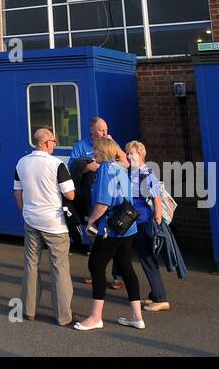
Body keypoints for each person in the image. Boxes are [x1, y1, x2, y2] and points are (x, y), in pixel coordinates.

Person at [77, 135, 145, 332]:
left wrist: (91, 220)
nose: (93, 153)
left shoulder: (106, 169)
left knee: (96, 265)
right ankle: (136, 316)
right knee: (126, 268)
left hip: (111, 228)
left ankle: (96, 317)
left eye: (96, 150)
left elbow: (103, 203)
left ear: (104, 151)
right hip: (128, 225)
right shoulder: (121, 168)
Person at [13, 127, 77, 329]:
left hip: (31, 220)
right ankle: (63, 316)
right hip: (54, 223)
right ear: (46, 142)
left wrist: (24, 212)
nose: (55, 144)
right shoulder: (57, 164)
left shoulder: (21, 163)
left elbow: (17, 192)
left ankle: (28, 310)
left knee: (31, 265)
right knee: (59, 267)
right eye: (54, 141)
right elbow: (70, 195)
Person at [68, 116, 125, 290]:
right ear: (92, 131)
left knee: (114, 238)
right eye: (101, 130)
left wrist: (113, 145)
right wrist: (86, 167)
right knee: (93, 236)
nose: (105, 133)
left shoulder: (110, 144)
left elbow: (126, 163)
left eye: (106, 130)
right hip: (89, 198)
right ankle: (96, 273)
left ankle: (117, 276)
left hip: (109, 200)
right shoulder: (80, 146)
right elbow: (71, 167)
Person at [125, 141, 171, 313]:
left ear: (141, 155)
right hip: (136, 221)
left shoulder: (145, 174)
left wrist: (157, 219)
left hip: (144, 222)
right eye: (127, 153)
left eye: (132, 154)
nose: (129, 156)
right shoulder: (134, 172)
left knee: (147, 259)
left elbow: (156, 198)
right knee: (147, 258)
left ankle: (160, 299)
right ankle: (154, 294)